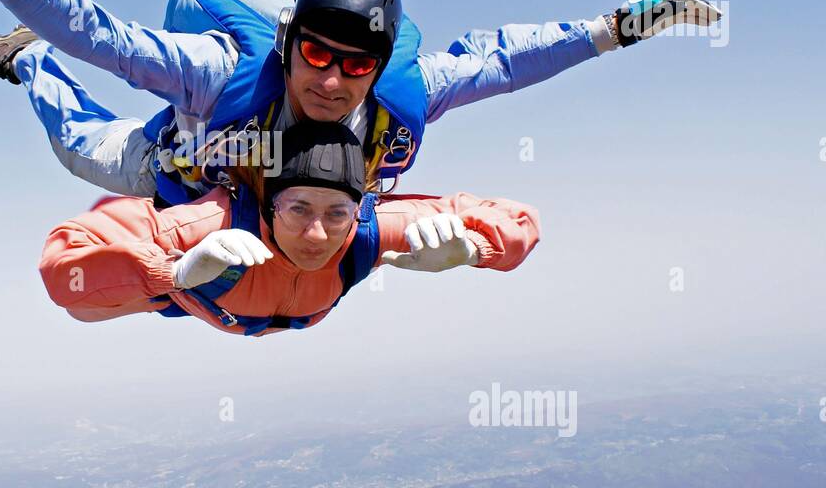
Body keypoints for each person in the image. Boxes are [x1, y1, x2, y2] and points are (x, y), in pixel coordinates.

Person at [0, 0, 721, 205]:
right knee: (82, 151)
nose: (331, 80)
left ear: (380, 62)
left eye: (355, 66)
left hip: (277, 188)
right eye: (317, 56)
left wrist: (620, 26)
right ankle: (25, 64)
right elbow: (107, 38)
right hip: (179, 163)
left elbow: (506, 60)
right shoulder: (217, 68)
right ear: (289, 42)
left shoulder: (405, 90)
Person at [38, 122, 540, 337]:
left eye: (336, 213)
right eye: (299, 208)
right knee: (83, 144)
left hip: (233, 305)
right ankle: (29, 60)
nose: (319, 235)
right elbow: (65, 271)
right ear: (270, 203)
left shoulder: (371, 230)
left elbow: (519, 220)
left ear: (359, 206)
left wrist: (473, 249)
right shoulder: (205, 227)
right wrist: (170, 270)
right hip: (191, 293)